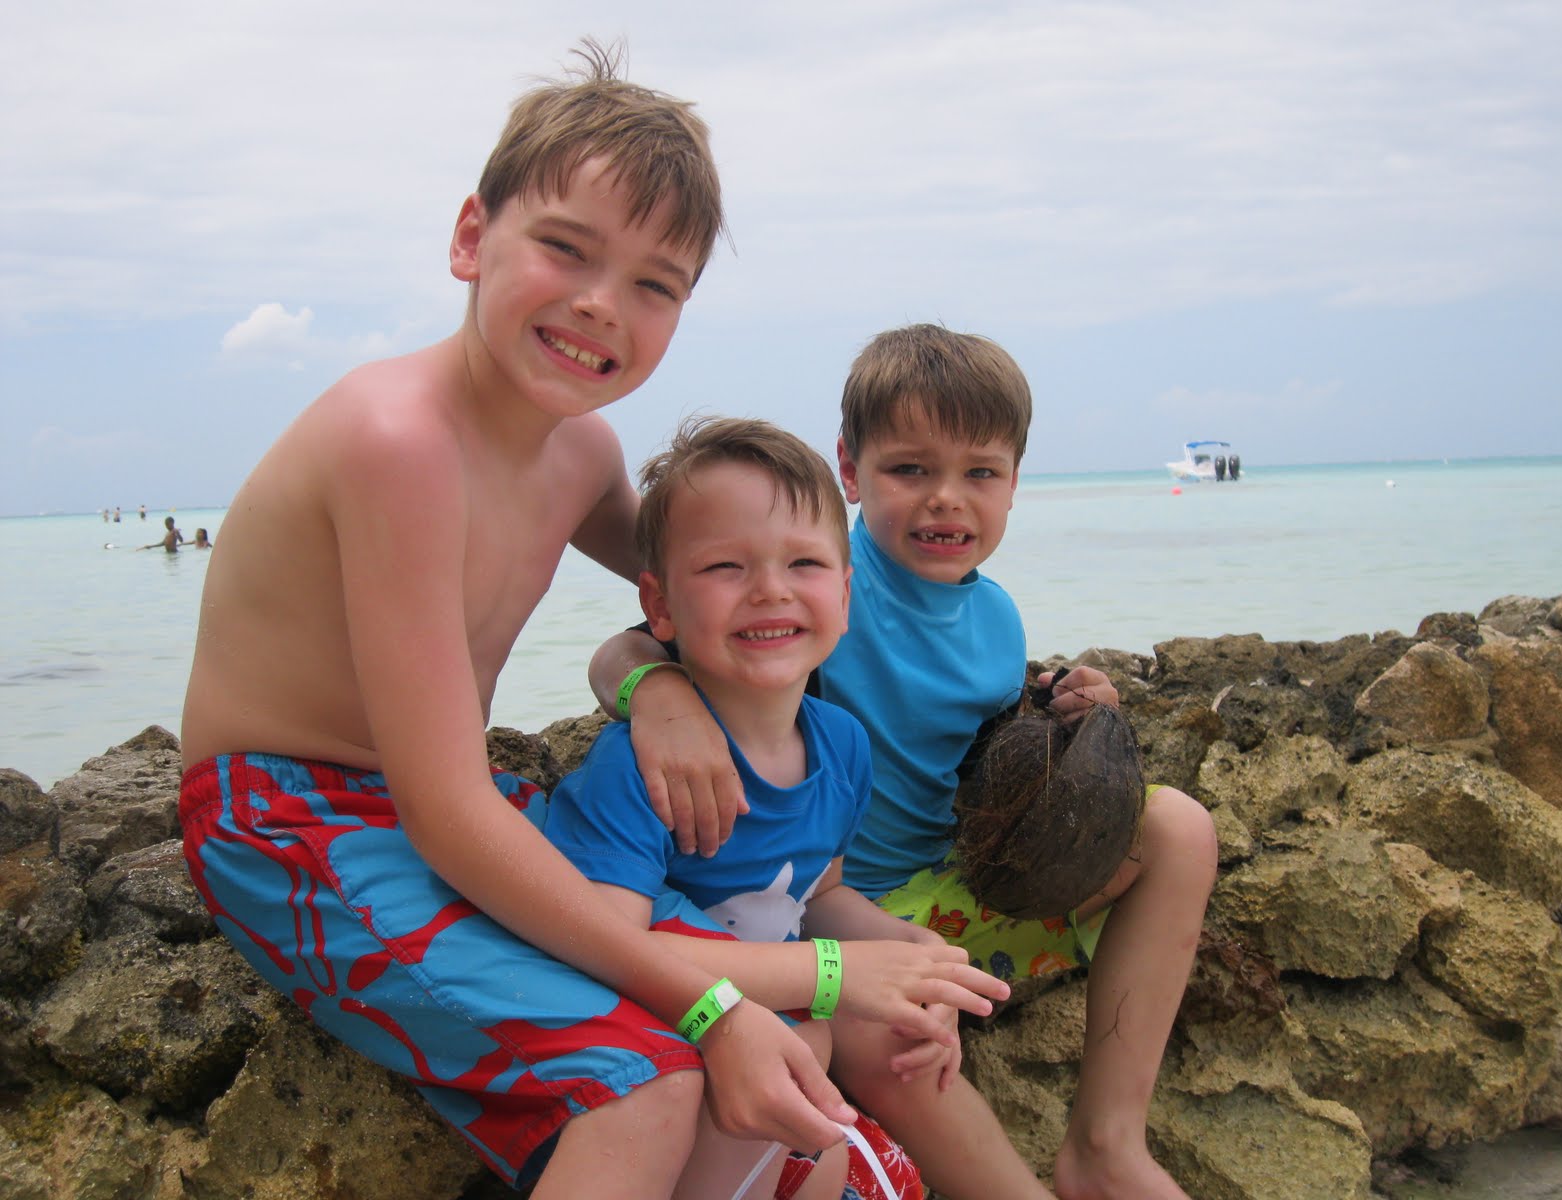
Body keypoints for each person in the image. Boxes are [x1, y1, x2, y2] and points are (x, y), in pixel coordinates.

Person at [176, 47, 990, 1200]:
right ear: (472, 237)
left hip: (439, 809)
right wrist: (714, 1005)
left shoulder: (583, 453)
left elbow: (718, 595)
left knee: (778, 1035)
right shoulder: (398, 443)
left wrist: (652, 682)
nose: (602, 302)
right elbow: (446, 810)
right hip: (290, 819)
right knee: (646, 1080)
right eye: (565, 248)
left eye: (656, 284)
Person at [593, 325, 1219, 1200]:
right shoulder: (819, 579)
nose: (945, 501)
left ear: (1014, 483)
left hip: (954, 898)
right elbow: (627, 648)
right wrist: (656, 693)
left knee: (1178, 826)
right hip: (832, 915)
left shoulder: (997, 617)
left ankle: (1108, 1145)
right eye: (911, 470)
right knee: (881, 1038)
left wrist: (1067, 719)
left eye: (980, 473)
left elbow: (980, 764)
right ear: (851, 471)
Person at [542, 417, 1008, 1199]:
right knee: (817, 1065)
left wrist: (914, 956)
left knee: (835, 1153)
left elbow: (816, 894)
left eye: (805, 562)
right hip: (668, 1068)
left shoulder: (842, 745)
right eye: (726, 565)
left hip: (779, 1064)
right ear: (658, 604)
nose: (770, 589)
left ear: (845, 594)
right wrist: (832, 973)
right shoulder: (638, 767)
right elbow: (606, 950)